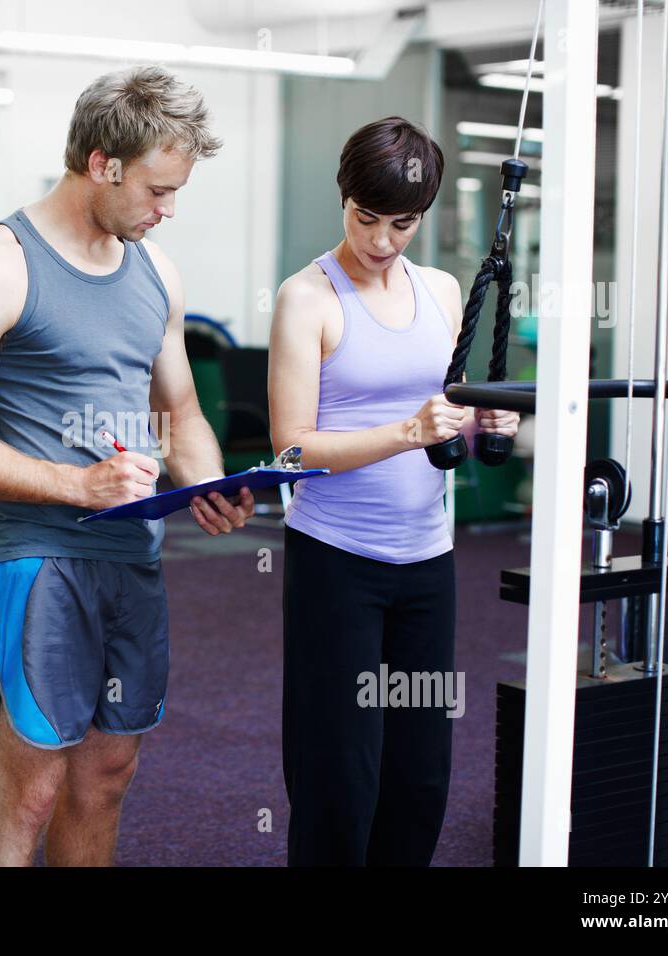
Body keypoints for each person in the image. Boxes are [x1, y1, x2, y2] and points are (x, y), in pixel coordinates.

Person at [0, 65, 254, 867]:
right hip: (36, 560)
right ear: (102, 163)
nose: (167, 211)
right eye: (158, 191)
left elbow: (183, 412)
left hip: (130, 559)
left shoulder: (155, 272)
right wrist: (74, 484)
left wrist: (207, 482)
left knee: (107, 777)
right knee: (28, 792)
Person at [267, 116, 519, 866]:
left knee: (419, 772)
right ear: (344, 199)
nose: (381, 240)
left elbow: (446, 425)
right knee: (340, 770)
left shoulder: (441, 292)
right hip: (336, 562)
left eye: (402, 223)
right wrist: (408, 433)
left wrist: (481, 423)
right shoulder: (306, 297)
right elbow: (289, 450)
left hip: (426, 564)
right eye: (366, 217)